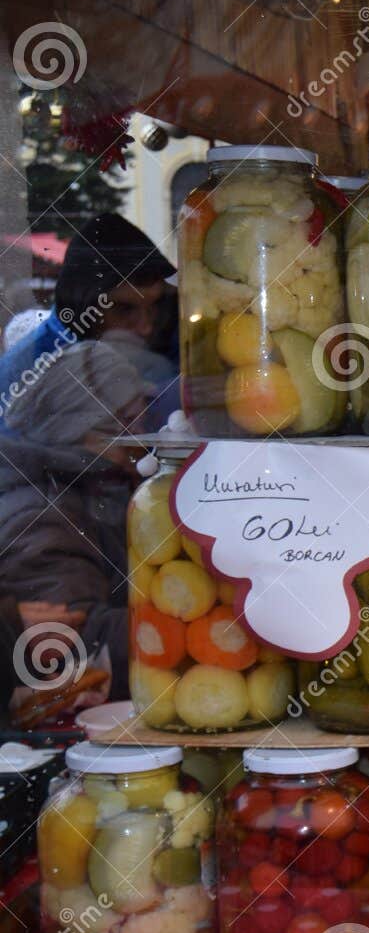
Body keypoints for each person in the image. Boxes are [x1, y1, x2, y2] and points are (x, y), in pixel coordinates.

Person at [0, 341, 150, 707]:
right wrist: (198, 626)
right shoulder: (42, 516)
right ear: (88, 429)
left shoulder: (90, 490)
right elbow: (68, 643)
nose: (145, 435)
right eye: (131, 420)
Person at [0, 214, 175, 430]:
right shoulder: (27, 371)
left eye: (156, 306)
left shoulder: (169, 341)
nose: (146, 327)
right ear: (83, 306)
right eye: (124, 310)